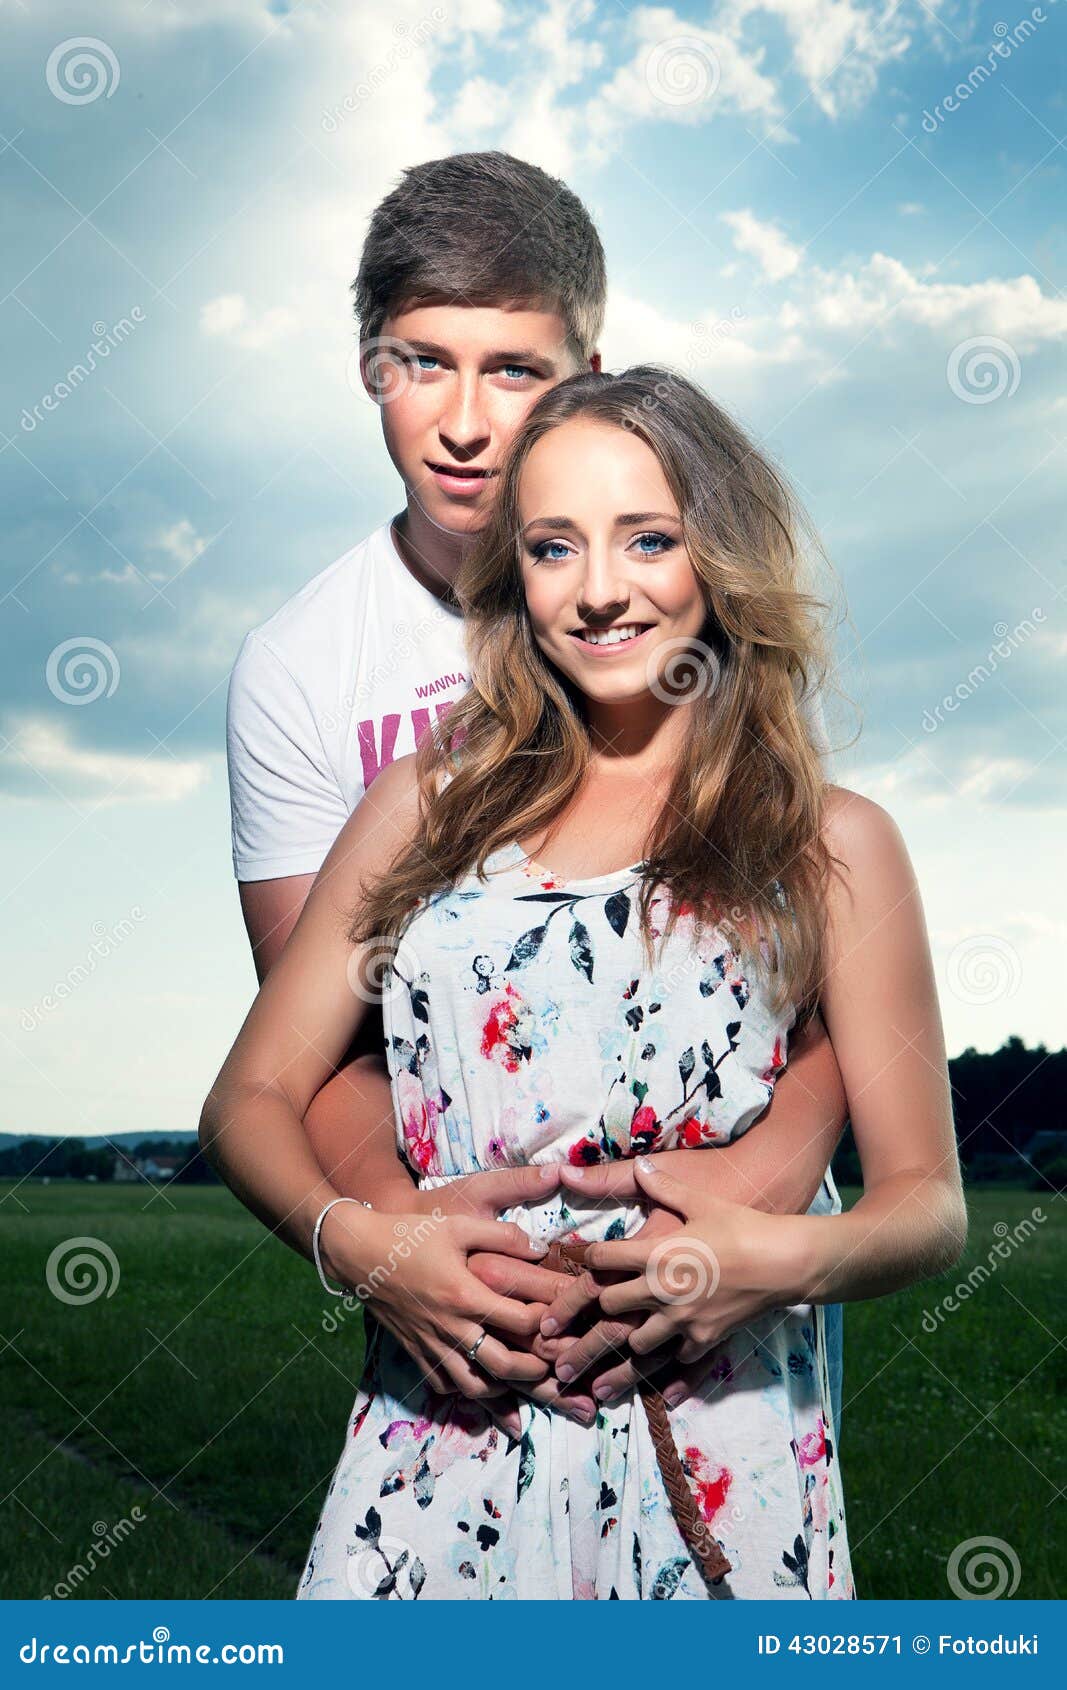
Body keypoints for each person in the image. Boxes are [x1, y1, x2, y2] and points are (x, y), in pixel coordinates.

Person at [200, 365, 967, 1599]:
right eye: (554, 547)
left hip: (721, 1449)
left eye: (647, 538)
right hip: (443, 1435)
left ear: (719, 554)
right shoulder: (420, 810)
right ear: (513, 577)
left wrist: (763, 1263)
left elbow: (927, 1204)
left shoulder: (831, 843)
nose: (600, 590)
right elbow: (250, 1096)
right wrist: (369, 1250)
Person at [225, 150, 849, 1437]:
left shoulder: (682, 595)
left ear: (587, 370)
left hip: (722, 1280)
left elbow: (826, 949)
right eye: (420, 361)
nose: (463, 423)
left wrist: (759, 1189)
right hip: (476, 1290)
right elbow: (319, 1042)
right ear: (366, 364)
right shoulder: (297, 666)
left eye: (513, 369)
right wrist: (406, 1248)